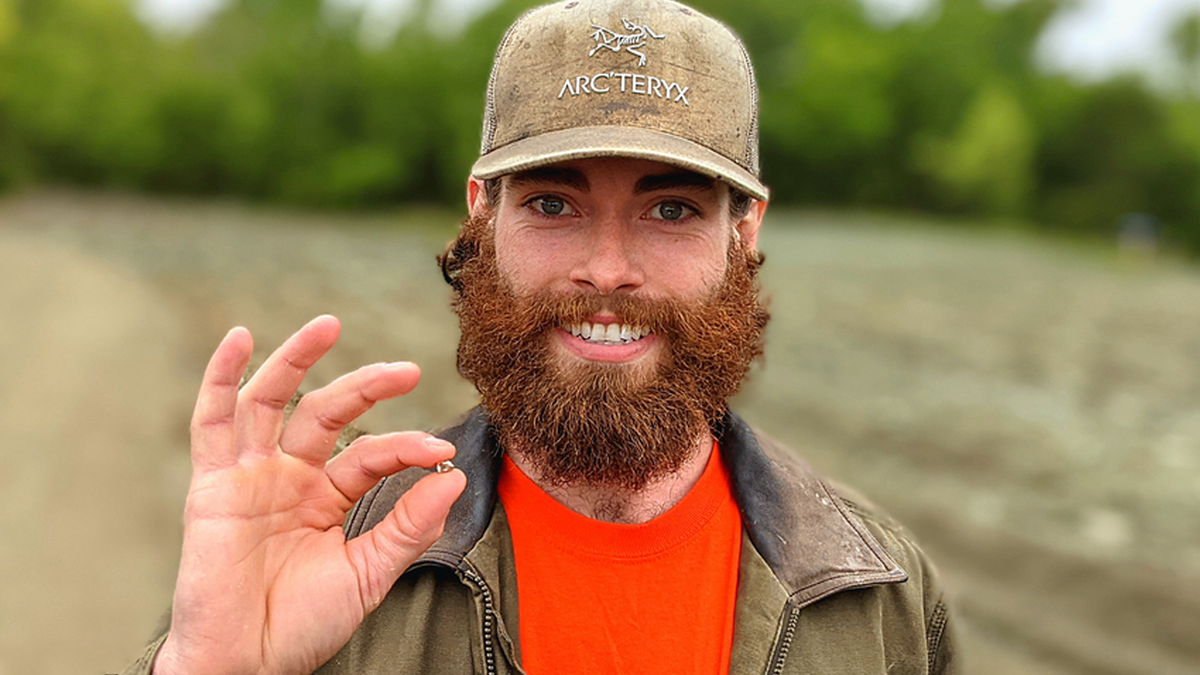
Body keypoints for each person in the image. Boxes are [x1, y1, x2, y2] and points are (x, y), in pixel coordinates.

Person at [121, 0, 957, 673]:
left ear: (744, 232)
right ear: (482, 214)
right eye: (553, 204)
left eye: (672, 209)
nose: (606, 268)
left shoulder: (883, 595)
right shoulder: (341, 562)